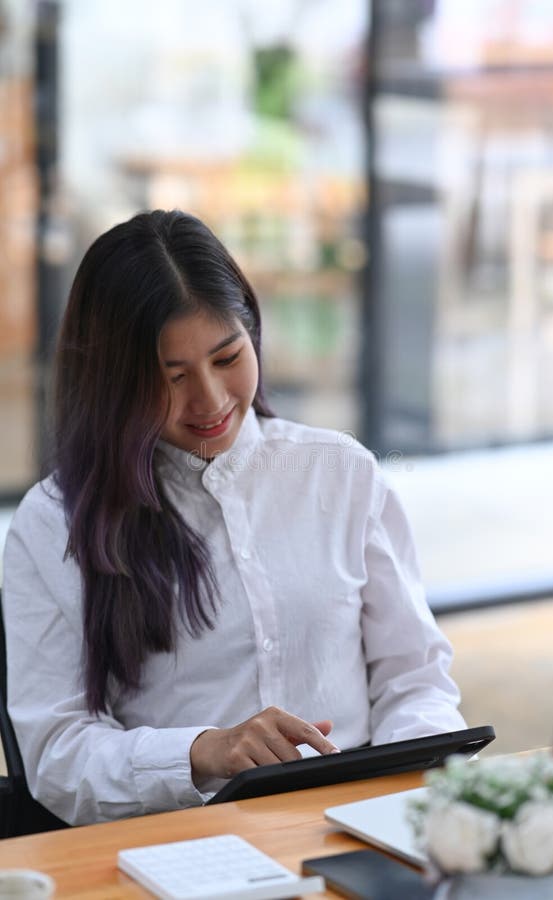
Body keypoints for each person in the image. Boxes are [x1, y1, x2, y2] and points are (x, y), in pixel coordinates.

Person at [2, 209, 465, 826]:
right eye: (172, 377)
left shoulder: (340, 473)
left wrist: (409, 799)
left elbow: (415, 680)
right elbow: (55, 755)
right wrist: (202, 752)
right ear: (114, 382)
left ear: (253, 333)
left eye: (227, 358)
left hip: (354, 825)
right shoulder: (53, 524)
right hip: (179, 840)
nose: (212, 399)